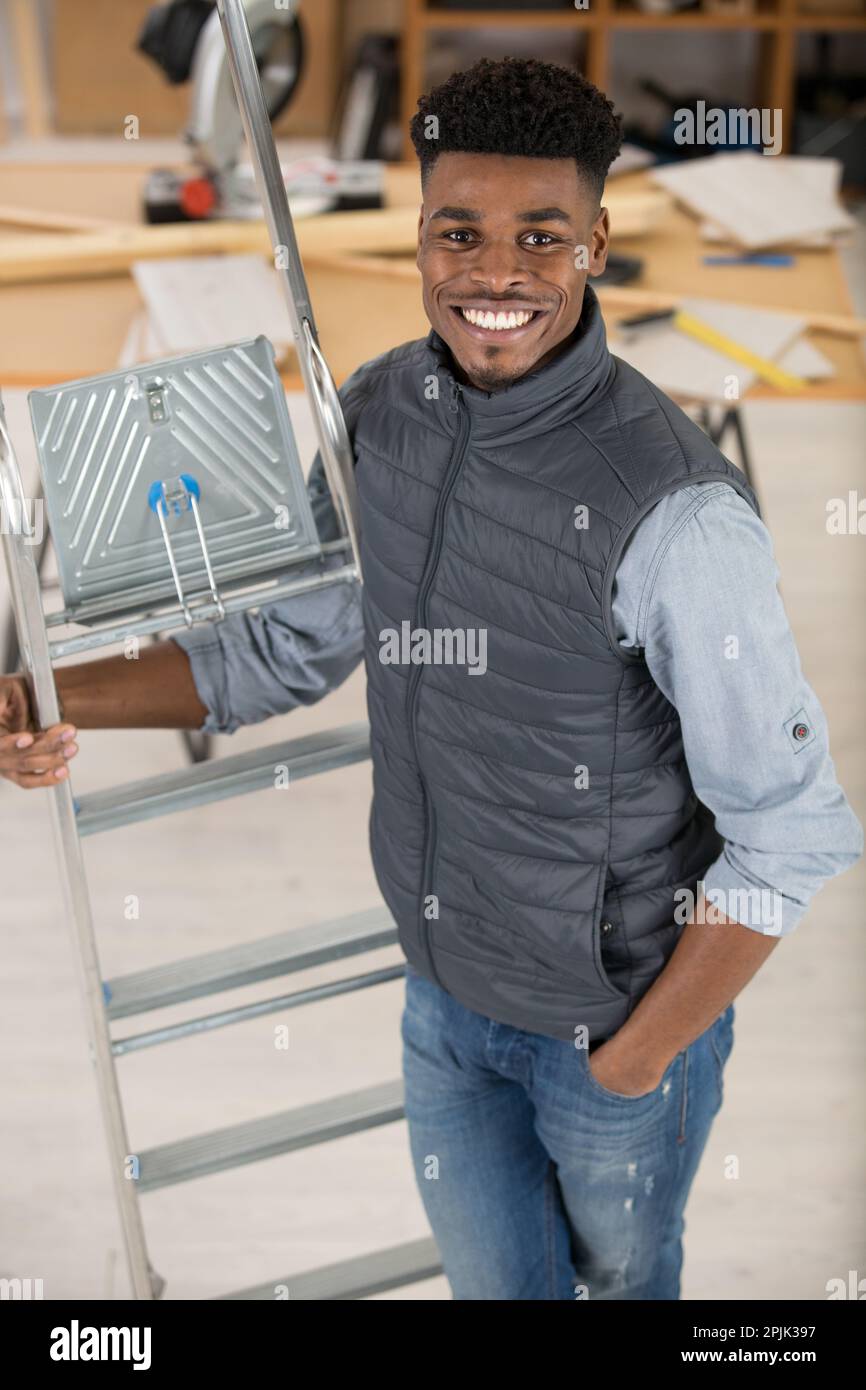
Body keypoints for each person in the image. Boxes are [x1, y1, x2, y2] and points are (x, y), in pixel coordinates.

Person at [1, 58, 861, 1300]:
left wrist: (633, 1061)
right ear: (415, 235)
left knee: (624, 1288)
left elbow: (788, 837)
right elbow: (277, 649)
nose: (495, 273)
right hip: (446, 1006)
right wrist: (49, 697)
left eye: (539, 237)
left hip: (609, 1033)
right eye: (459, 231)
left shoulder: (675, 514)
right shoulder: (380, 418)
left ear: (596, 244)